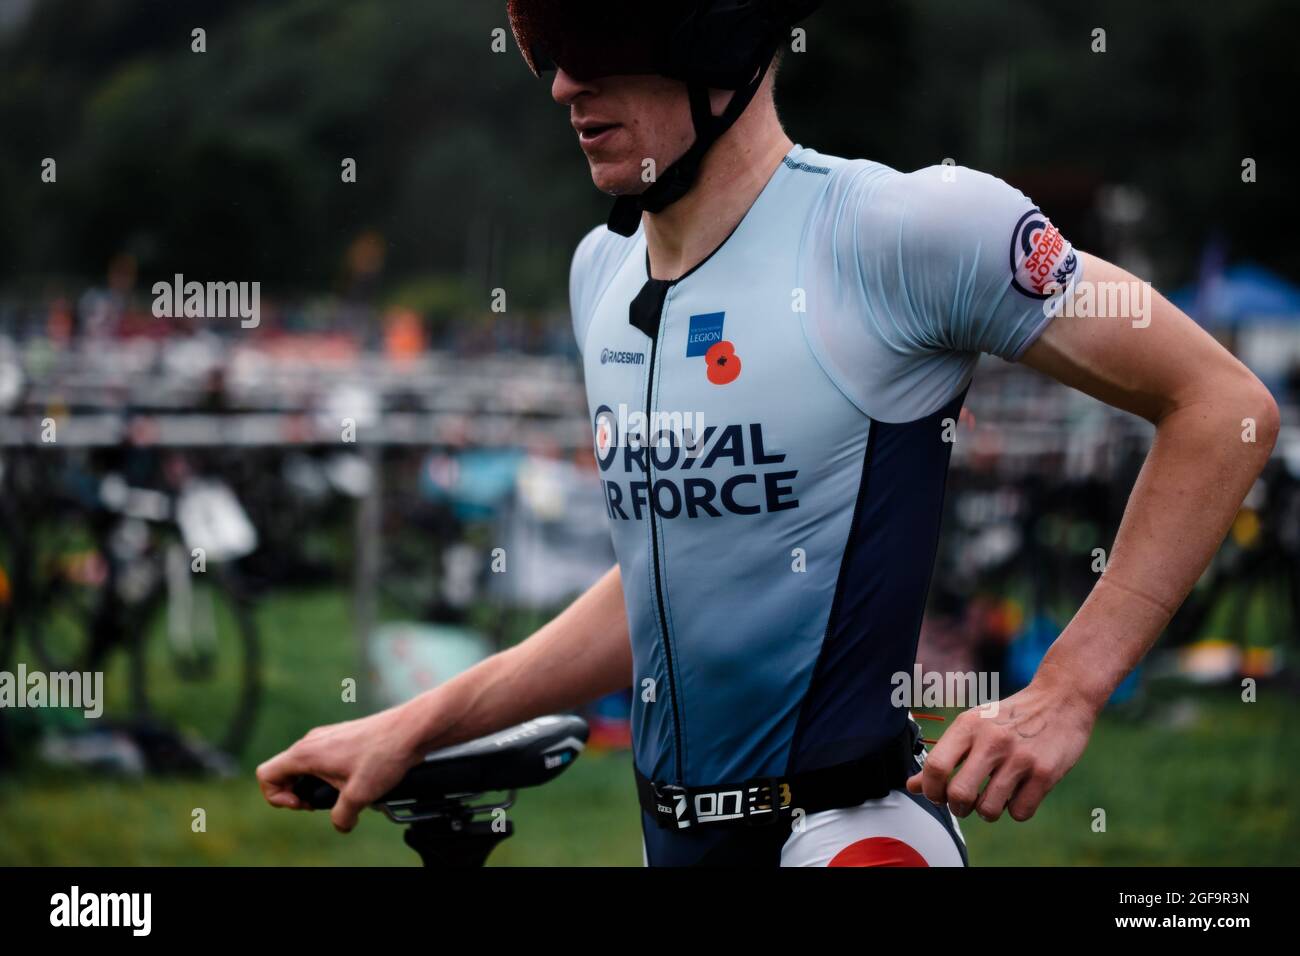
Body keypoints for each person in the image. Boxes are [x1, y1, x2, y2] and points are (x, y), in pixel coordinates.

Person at [258, 1, 1280, 866]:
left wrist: (1067, 688)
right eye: (547, 53)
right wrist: (411, 722)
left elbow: (1223, 406)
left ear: (717, 43)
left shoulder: (899, 230)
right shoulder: (600, 275)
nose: (565, 85)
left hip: (851, 837)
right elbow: (671, 583)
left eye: (597, 45)